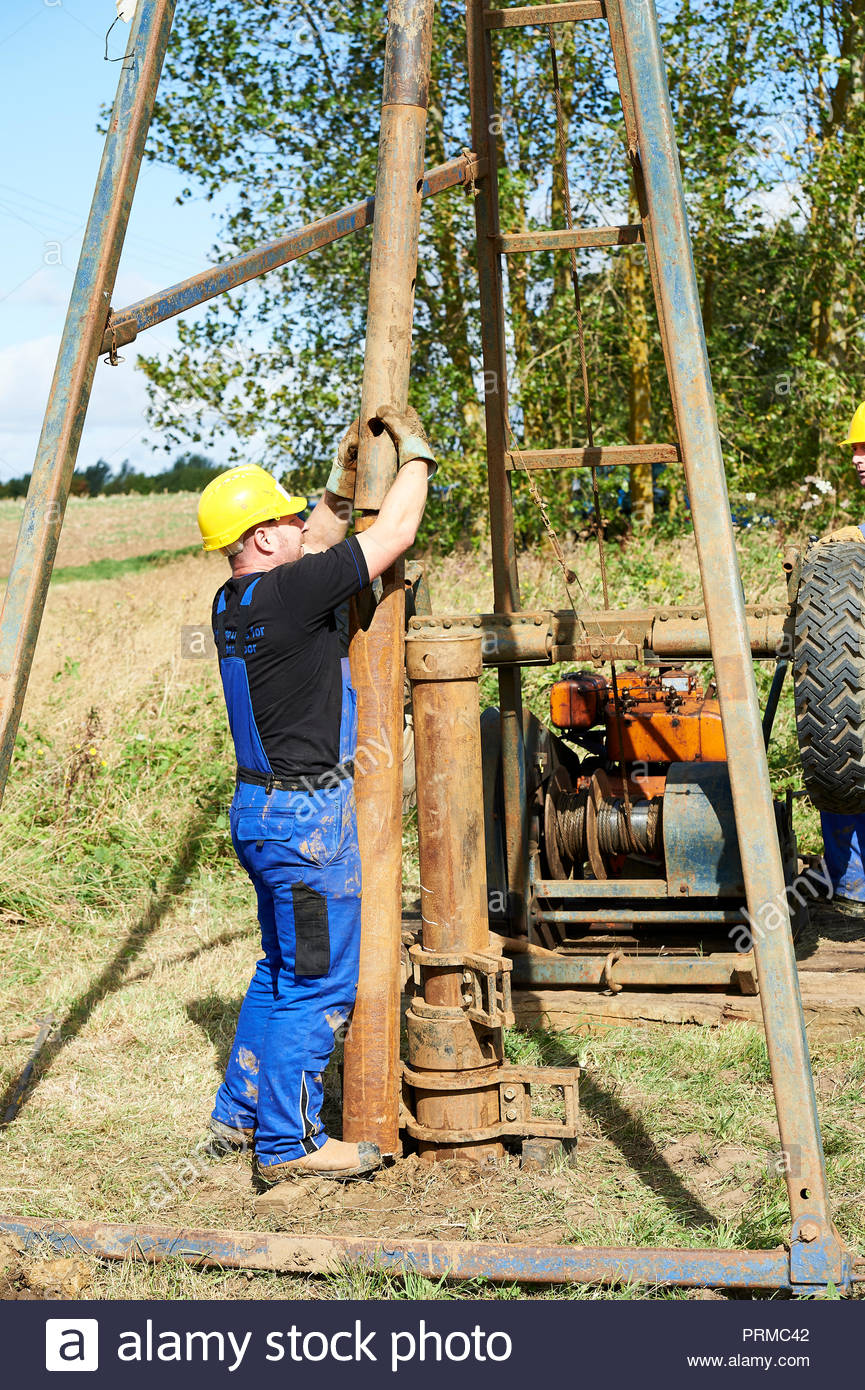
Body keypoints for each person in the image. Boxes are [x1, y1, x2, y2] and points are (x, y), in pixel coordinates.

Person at [196, 404, 436, 1184]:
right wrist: (418, 455)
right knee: (319, 980)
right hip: (305, 821)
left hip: (256, 811)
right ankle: (289, 1145)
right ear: (264, 538)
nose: (303, 524)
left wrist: (338, 485)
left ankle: (239, 1113)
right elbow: (392, 535)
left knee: (279, 967)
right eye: (287, 518)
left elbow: (326, 542)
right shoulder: (294, 592)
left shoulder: (234, 600)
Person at [819, 401, 865, 914]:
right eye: (854, 448)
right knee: (840, 768)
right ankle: (852, 886)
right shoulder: (851, 540)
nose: (857, 458)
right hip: (852, 680)